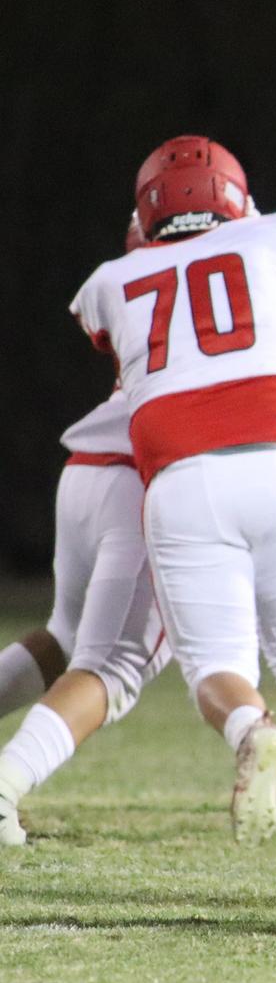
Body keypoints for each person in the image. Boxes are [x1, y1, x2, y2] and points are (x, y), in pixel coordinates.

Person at [66, 136, 276, 846]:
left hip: (186, 471)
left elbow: (114, 336)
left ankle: (253, 728)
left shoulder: (113, 277)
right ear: (235, 196)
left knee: (216, 669)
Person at [0, 220, 173, 845]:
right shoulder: (250, 271)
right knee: (114, 665)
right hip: (146, 477)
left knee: (66, 639)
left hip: (87, 470)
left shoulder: (143, 277)